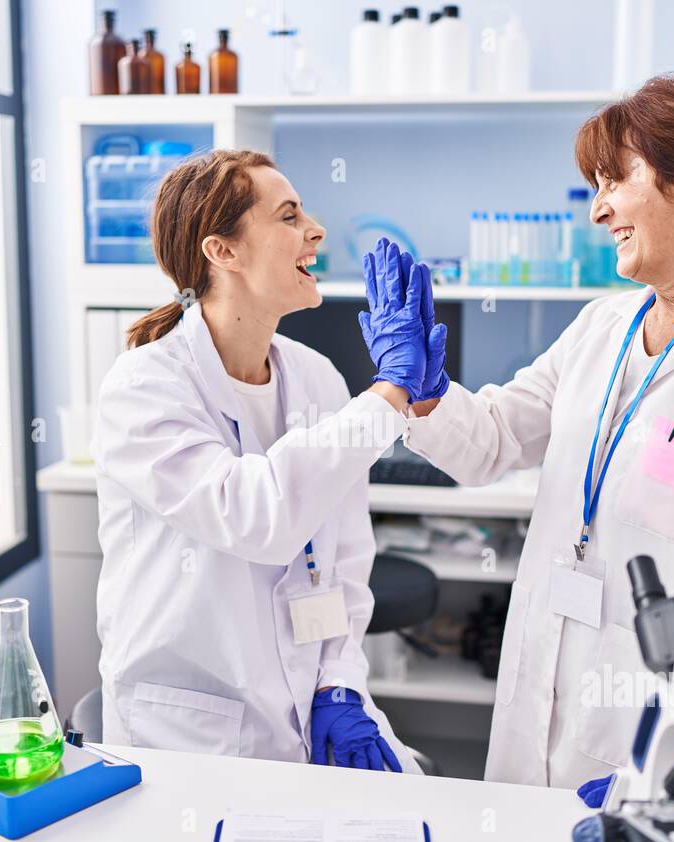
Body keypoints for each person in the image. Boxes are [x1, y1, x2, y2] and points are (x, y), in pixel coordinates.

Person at [368, 75, 674, 799]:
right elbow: (494, 441)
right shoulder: (605, 325)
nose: (598, 210)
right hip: (543, 690)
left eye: (613, 181)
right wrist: (423, 390)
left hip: (673, 745)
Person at [92, 149, 437, 772]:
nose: (316, 230)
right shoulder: (143, 387)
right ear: (221, 250)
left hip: (309, 702)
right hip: (188, 732)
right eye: (288, 216)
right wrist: (388, 396)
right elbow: (254, 514)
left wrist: (338, 681)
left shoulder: (317, 379)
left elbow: (343, 559)